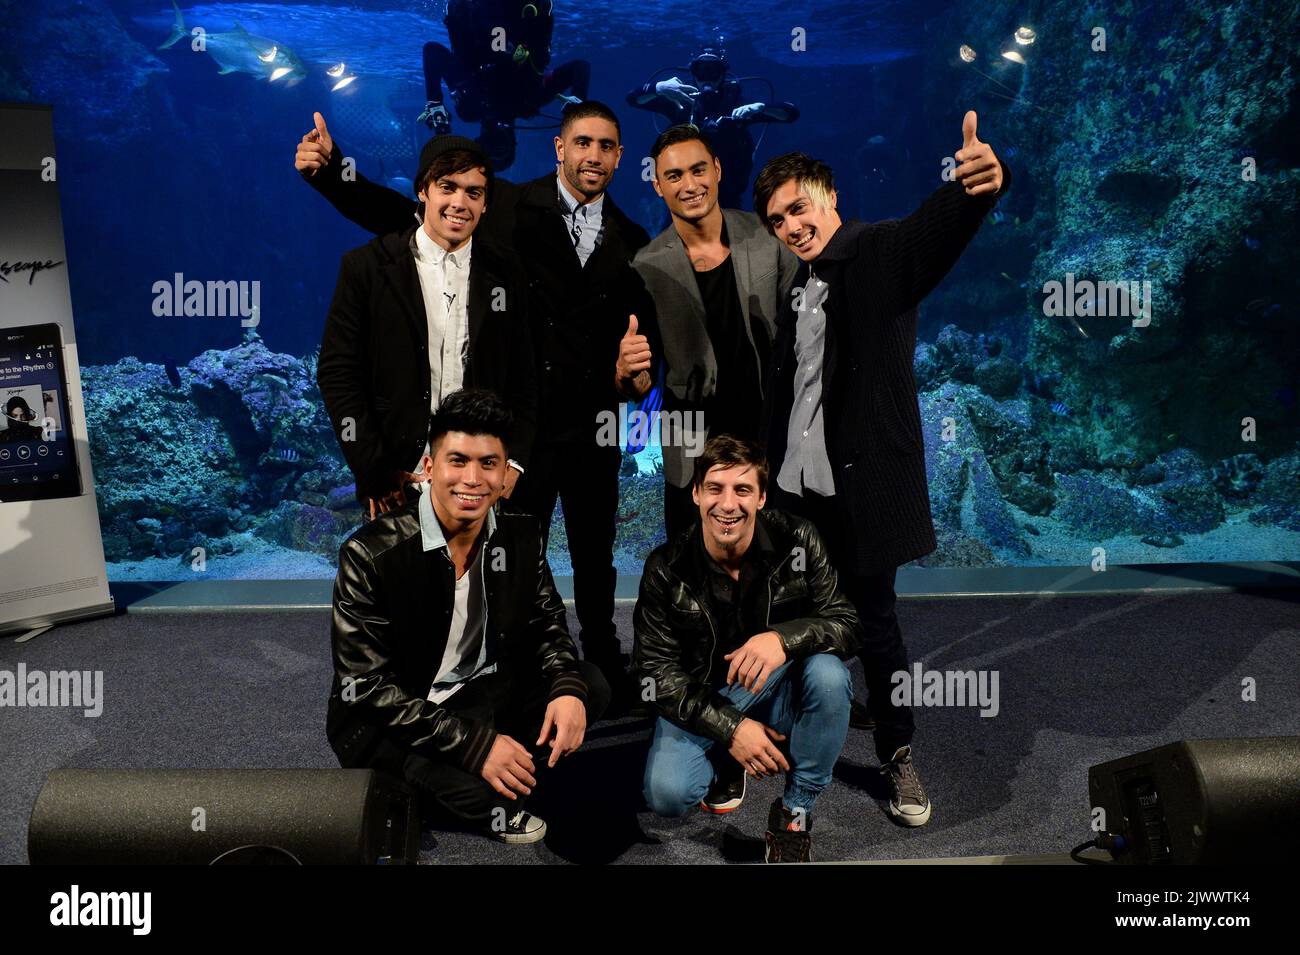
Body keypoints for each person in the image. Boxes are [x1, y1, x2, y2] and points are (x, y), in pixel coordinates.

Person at [299, 101, 653, 702]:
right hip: (506, 432)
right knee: (507, 561)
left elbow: (639, 330)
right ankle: (468, 679)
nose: (594, 155)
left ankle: (591, 657)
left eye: (607, 145)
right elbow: (403, 213)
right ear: (560, 148)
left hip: (586, 423)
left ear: (621, 156)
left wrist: (633, 381)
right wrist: (335, 174)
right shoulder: (508, 205)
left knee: (594, 553)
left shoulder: (634, 238)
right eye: (582, 142)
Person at [754, 110, 1012, 829]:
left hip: (862, 491)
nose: (792, 225)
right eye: (777, 219)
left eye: (799, 207)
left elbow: (932, 234)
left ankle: (898, 753)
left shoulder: (877, 253)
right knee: (803, 618)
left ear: (830, 195)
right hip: (797, 495)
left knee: (876, 624)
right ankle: (829, 714)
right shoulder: (798, 285)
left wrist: (978, 187)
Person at [326, 388, 610, 844]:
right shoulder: (369, 554)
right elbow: (366, 688)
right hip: (395, 720)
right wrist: (474, 746)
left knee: (588, 684)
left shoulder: (521, 534)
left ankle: (483, 770)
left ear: (505, 474)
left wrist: (566, 689)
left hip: (478, 694)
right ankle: (439, 782)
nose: (472, 479)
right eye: (457, 461)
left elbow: (547, 624)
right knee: (496, 799)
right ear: (430, 467)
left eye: (488, 464)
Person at [633, 435, 859, 862]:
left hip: (778, 687)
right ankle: (726, 755)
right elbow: (651, 673)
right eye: (715, 489)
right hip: (703, 697)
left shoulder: (798, 539)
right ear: (697, 493)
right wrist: (731, 728)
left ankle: (794, 813)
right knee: (667, 795)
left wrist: (781, 640)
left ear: (761, 497)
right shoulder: (666, 567)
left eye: (742, 490)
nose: (728, 504)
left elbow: (846, 624)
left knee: (830, 677)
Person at [316, 134, 535, 520]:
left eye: (474, 193)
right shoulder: (366, 268)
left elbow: (525, 376)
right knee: (397, 582)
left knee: (479, 582)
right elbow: (338, 374)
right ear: (422, 191)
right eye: (447, 187)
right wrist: (373, 468)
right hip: (397, 481)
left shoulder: (509, 272)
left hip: (482, 480)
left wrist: (513, 460)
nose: (459, 203)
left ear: (486, 204)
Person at [619, 124, 798, 541]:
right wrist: (630, 374)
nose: (690, 185)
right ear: (658, 186)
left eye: (698, 170)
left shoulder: (767, 237)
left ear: (717, 170)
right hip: (691, 448)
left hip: (771, 436)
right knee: (692, 576)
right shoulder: (646, 267)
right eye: (674, 176)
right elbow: (641, 384)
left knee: (776, 566)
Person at [419, 0, 591, 170]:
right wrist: (579, 100)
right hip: (514, 10)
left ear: (480, 139)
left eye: (488, 144)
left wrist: (434, 101)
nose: (494, 136)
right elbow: (579, 67)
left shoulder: (469, 106)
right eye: (499, 146)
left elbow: (432, 51)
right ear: (513, 141)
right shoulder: (529, 102)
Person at [627, 42, 798, 209]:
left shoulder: (736, 104)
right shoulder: (680, 102)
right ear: (693, 73)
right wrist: (658, 87)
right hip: (685, 192)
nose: (707, 78)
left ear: (723, 74)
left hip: (726, 194)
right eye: (701, 71)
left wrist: (762, 108)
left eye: (713, 71)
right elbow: (633, 98)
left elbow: (790, 113)